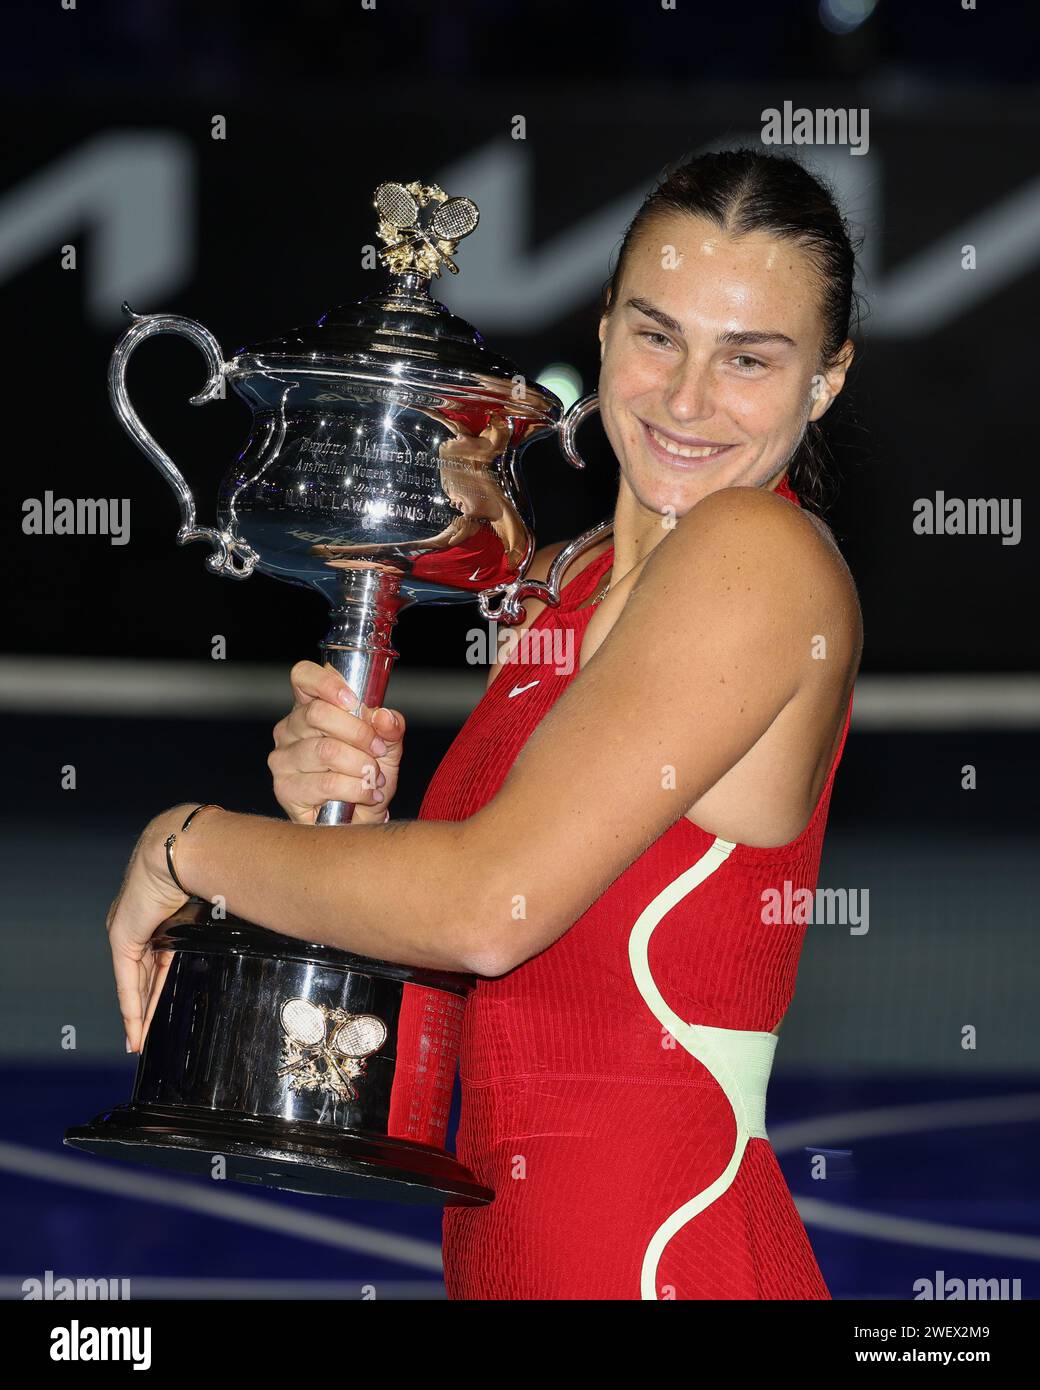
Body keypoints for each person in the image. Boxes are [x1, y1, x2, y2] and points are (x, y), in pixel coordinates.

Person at [107, 147, 863, 1300]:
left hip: (659, 1262)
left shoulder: (755, 555)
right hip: (523, 1258)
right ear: (604, 329)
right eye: (657, 335)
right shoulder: (562, 585)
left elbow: (483, 909)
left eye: (749, 359)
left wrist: (183, 844)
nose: (687, 399)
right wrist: (350, 834)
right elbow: (504, 988)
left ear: (825, 380)